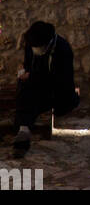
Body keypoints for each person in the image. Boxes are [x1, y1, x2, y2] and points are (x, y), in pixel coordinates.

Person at [12, 20, 79, 156]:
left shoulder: (62, 49)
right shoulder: (32, 43)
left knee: (31, 99)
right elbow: (29, 65)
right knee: (25, 91)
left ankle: (23, 129)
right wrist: (26, 74)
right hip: (37, 86)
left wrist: (32, 77)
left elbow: (60, 81)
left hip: (56, 91)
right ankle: (23, 132)